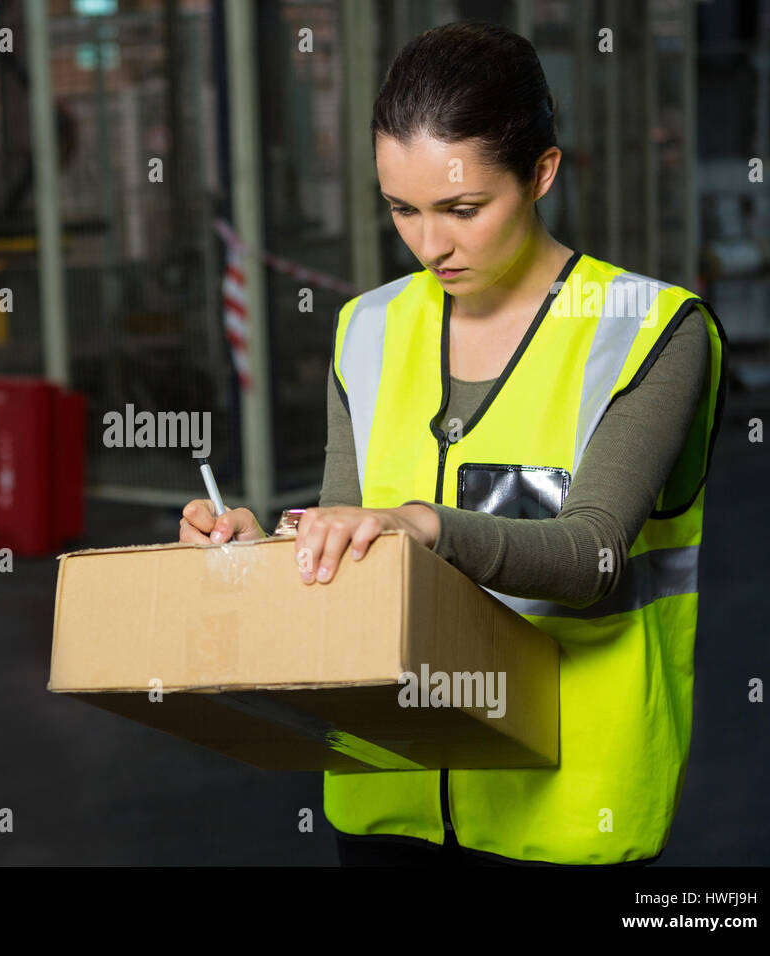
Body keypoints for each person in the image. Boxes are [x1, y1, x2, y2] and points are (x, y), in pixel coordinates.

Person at [180, 21, 727, 867]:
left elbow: (592, 559)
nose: (430, 244)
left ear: (542, 172)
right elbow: (339, 547)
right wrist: (257, 559)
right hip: (384, 799)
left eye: (463, 209)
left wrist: (422, 526)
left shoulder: (647, 330)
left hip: (564, 817)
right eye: (402, 208)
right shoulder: (365, 331)